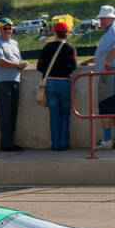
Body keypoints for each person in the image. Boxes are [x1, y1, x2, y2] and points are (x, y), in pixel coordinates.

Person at [82, 4, 115, 148]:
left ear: (110, 19)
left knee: (106, 107)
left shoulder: (113, 31)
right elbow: (108, 50)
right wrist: (91, 61)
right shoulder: (114, 30)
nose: (101, 22)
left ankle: (107, 139)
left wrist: (107, 61)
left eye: (103, 19)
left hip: (110, 73)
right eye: (101, 19)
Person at [36, 21, 77, 150]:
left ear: (55, 33)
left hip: (50, 83)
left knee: (54, 114)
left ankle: (54, 144)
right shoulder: (70, 47)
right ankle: (63, 143)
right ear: (67, 34)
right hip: (64, 82)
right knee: (65, 113)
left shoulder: (47, 47)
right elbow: (74, 66)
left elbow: (39, 66)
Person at [0, 17, 27, 152]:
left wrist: (21, 65)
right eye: (4, 28)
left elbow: (18, 61)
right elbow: (0, 61)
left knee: (12, 114)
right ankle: (6, 144)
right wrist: (18, 64)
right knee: (5, 114)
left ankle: (9, 142)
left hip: (15, 80)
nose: (7, 30)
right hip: (2, 82)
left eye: (9, 27)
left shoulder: (14, 43)